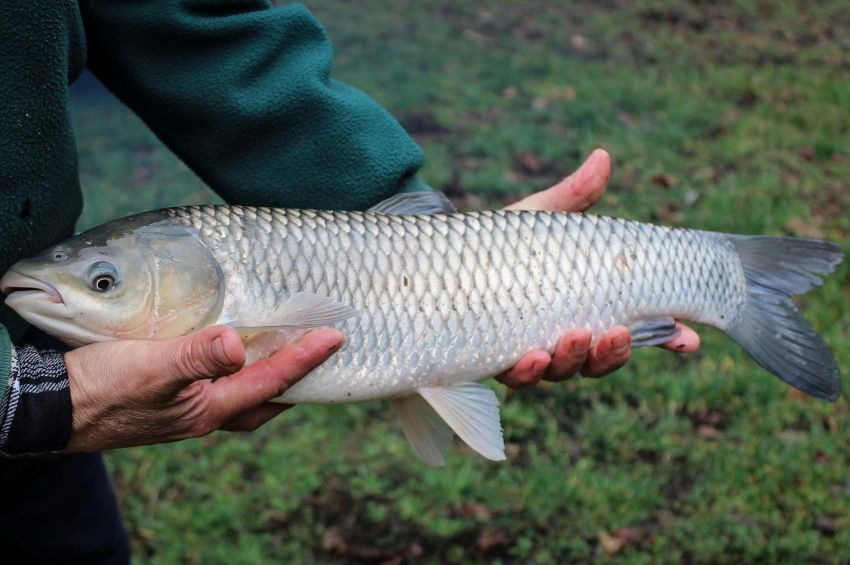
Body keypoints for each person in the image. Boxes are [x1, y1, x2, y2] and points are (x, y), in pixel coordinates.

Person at [0, 1, 699, 562]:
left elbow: (195, 17)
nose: (92, 288)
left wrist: (409, 219)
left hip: (50, 419)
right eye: (105, 282)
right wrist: (21, 398)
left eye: (100, 281)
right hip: (55, 394)